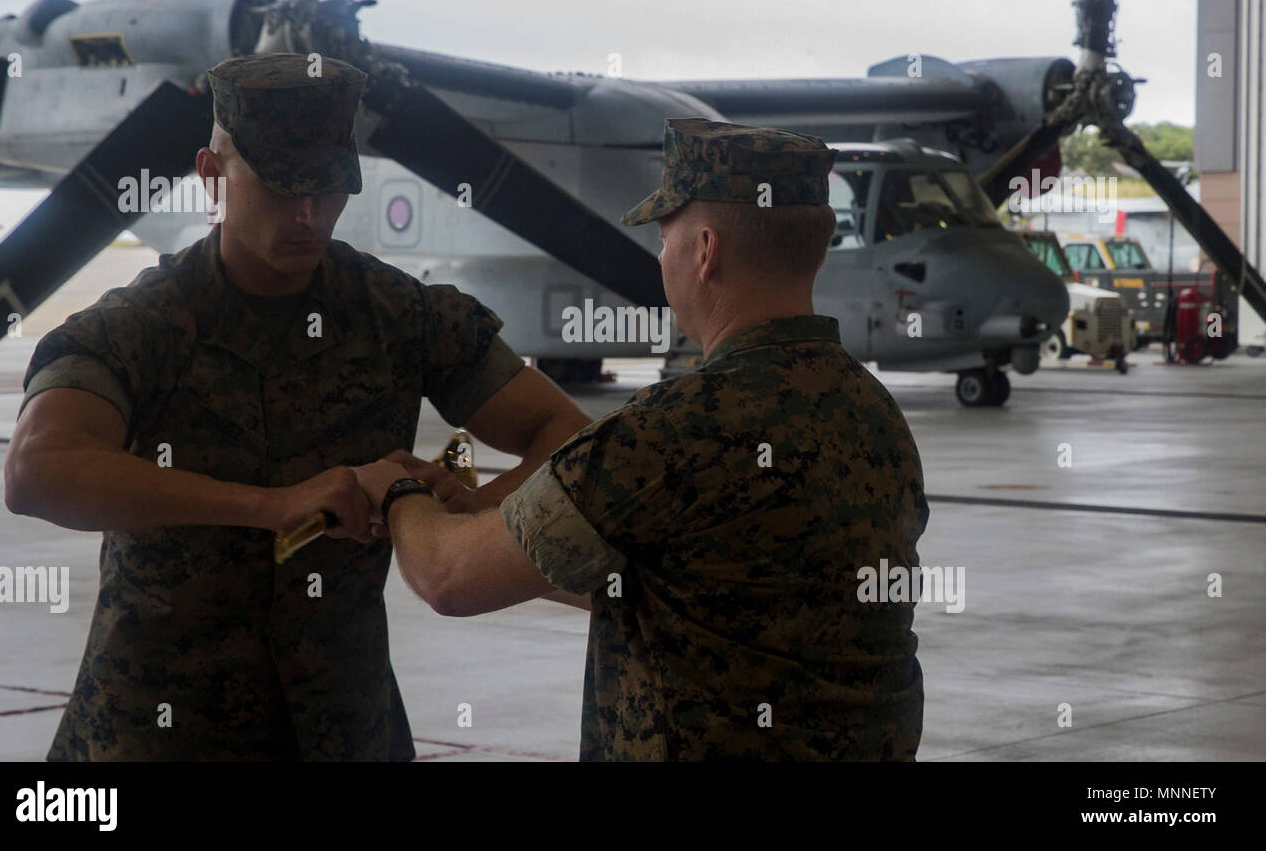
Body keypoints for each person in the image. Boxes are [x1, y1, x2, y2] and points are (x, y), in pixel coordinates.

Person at [3, 53, 591, 761]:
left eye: (330, 186)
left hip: (344, 728)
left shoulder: (400, 314)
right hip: (158, 729)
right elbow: (39, 470)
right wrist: (273, 505)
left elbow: (567, 434)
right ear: (211, 175)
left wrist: (470, 509)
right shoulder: (139, 326)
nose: (310, 214)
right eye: (283, 188)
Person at [355, 117, 930, 761]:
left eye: (664, 238)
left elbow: (449, 579)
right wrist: (497, 518)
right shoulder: (873, 416)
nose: (661, 258)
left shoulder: (671, 429)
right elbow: (686, 583)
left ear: (706, 251)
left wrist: (399, 492)